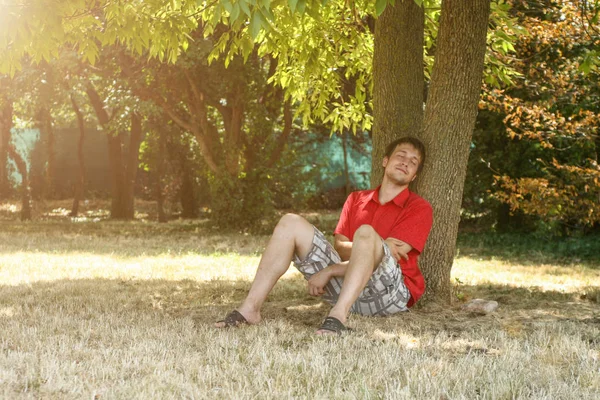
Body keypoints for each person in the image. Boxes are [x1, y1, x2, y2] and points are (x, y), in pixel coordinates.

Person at [215, 137, 433, 334]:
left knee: (365, 234)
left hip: (388, 295)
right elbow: (341, 246)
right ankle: (249, 310)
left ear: (414, 175)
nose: (406, 162)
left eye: (413, 162)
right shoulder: (356, 199)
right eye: (401, 155)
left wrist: (331, 269)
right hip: (347, 286)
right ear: (385, 161)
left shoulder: (419, 208)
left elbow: (389, 257)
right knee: (290, 221)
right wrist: (372, 248)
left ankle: (337, 318)